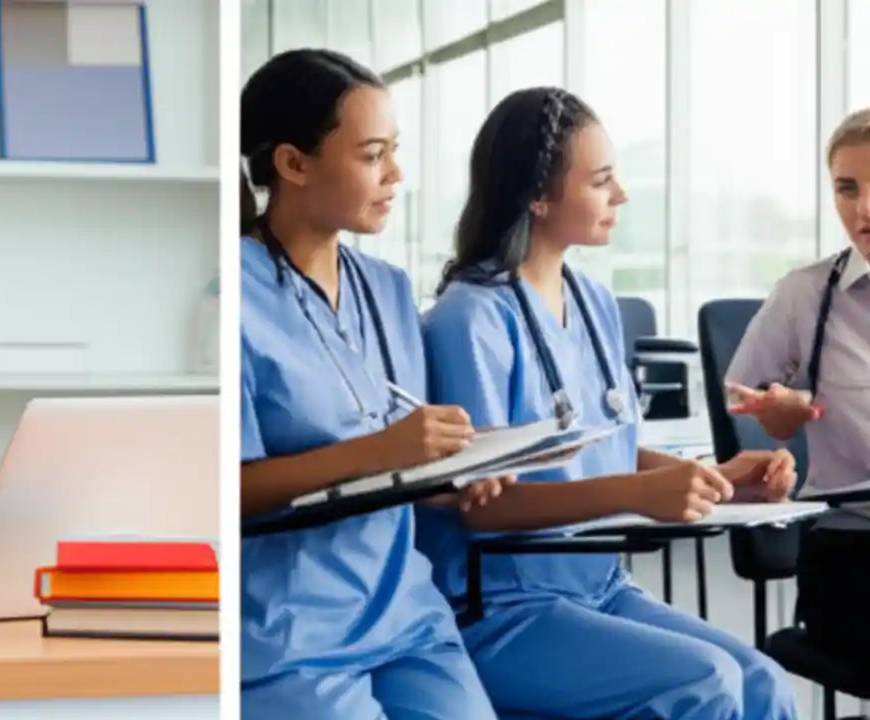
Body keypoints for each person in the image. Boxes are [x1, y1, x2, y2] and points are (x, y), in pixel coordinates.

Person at [415, 87, 799, 719]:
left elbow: (605, 448)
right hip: (500, 607)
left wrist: (718, 478)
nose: (621, 195)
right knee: (704, 684)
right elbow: (484, 506)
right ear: (538, 196)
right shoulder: (469, 320)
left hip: (599, 586)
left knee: (764, 681)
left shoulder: (592, 301)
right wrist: (636, 494)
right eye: (600, 181)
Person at [240, 49, 506, 719]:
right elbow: (228, 489)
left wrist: (456, 473)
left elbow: (402, 457)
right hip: (288, 629)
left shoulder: (387, 289)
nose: (395, 174)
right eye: (372, 155)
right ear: (294, 164)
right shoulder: (235, 295)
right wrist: (382, 451)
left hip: (404, 613)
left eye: (395, 151)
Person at [725, 108, 870, 493]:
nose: (864, 209)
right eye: (847, 189)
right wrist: (778, 412)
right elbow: (739, 396)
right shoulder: (804, 294)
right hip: (849, 518)